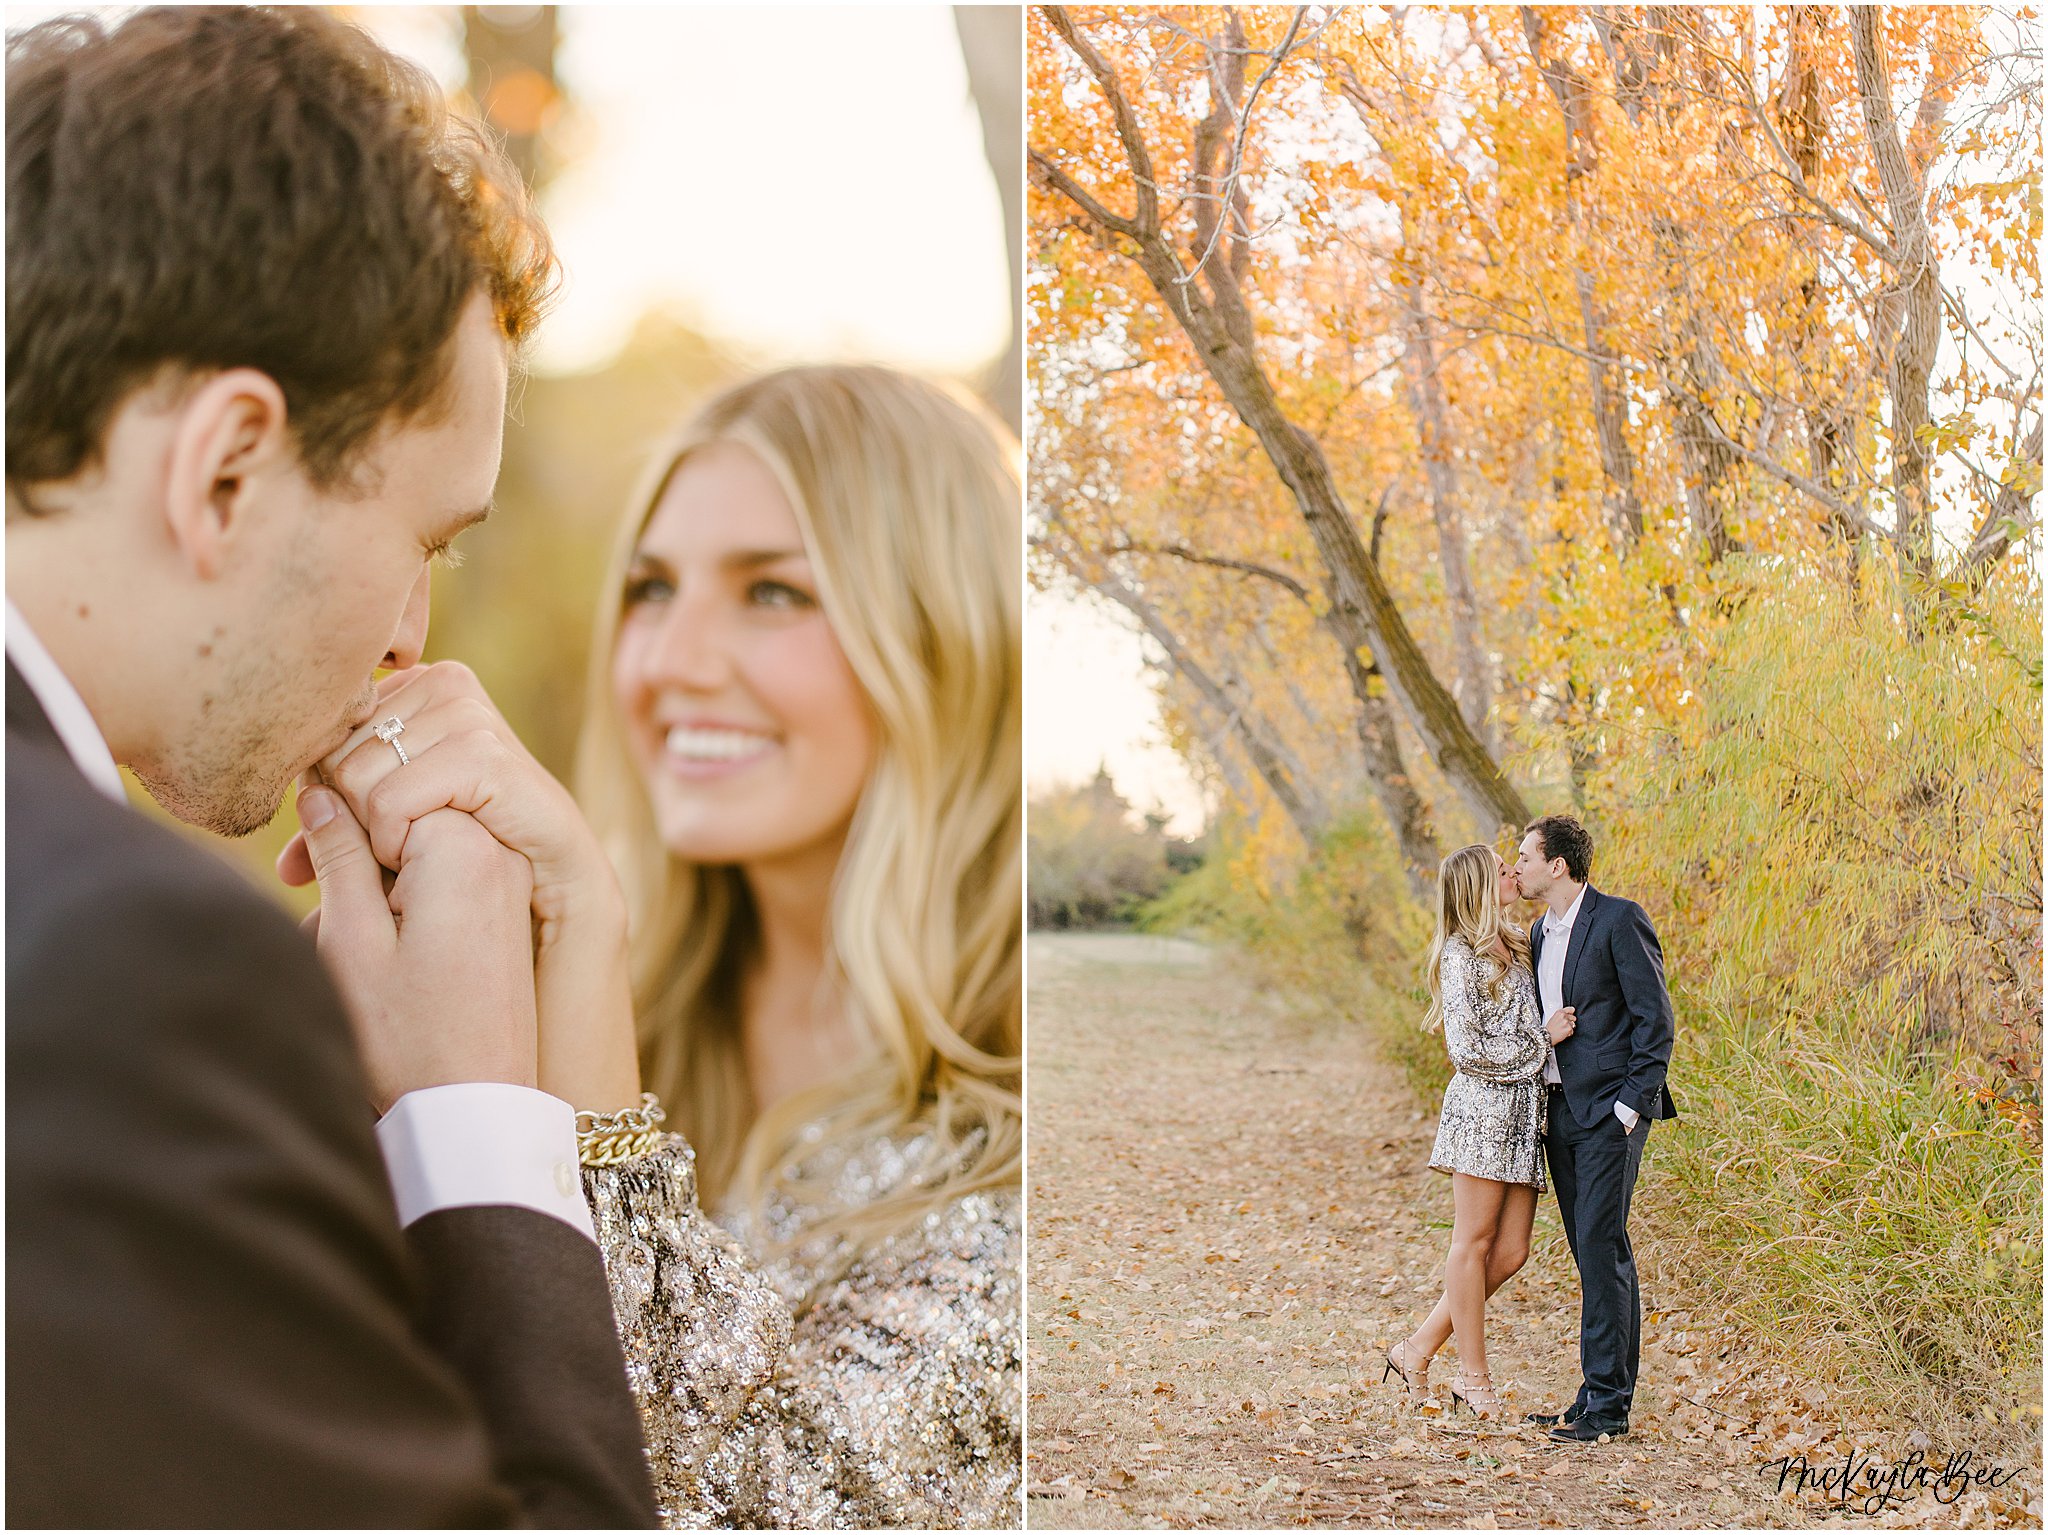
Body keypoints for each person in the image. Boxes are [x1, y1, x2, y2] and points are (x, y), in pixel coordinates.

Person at [5, 8, 654, 1525]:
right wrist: (476, 1113)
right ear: (227, 466)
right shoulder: (124, 960)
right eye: (423, 540)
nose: (411, 640)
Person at [296, 365, 1024, 1526]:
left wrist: (581, 956)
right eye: (648, 588)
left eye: (774, 593)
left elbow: (654, 1497)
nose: (671, 660)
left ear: (949, 638)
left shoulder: (1022, 1183)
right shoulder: (512, 1007)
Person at [1383, 843, 1575, 1420]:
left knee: (1512, 1251)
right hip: (1483, 1112)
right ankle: (1473, 1379)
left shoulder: (1517, 942)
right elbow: (1467, 1051)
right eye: (1501, 869)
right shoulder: (1460, 955)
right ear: (1477, 886)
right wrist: (1545, 1042)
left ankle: (1415, 1348)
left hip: (1523, 1114)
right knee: (1472, 1243)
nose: (1513, 872)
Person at [1512, 813, 1679, 1442]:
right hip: (1559, 1113)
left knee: (1602, 1246)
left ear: (1558, 864)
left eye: (1526, 856)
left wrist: (1630, 1107)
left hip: (1611, 1113)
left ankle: (1608, 1406)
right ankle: (1596, 1395)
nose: (1519, 866)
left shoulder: (1617, 918)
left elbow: (1654, 1020)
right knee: (1595, 1253)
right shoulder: (1536, 934)